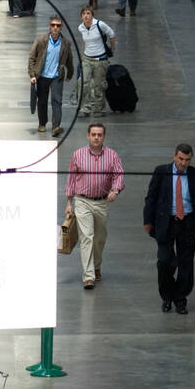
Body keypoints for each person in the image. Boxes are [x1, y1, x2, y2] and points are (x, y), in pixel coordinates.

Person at [143, 144, 195, 314]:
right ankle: (167, 296)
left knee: (186, 264)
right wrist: (147, 221)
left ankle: (180, 299)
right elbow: (151, 197)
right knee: (165, 261)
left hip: (188, 223)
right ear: (175, 156)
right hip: (167, 222)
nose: (183, 163)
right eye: (181, 159)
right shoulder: (161, 171)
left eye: (187, 160)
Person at [65, 121, 124, 287]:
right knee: (87, 238)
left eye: (100, 135)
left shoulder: (112, 155)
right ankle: (88, 276)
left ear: (104, 137)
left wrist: (115, 190)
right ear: (88, 136)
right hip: (82, 200)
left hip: (102, 202)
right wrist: (69, 202)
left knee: (99, 238)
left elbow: (119, 175)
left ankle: (97, 265)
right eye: (94, 135)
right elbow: (71, 179)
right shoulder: (78, 155)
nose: (96, 138)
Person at [28, 16, 74, 136]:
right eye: (53, 25)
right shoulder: (41, 40)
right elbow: (32, 57)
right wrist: (32, 74)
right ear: (49, 26)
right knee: (42, 101)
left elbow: (69, 60)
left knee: (57, 101)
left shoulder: (66, 43)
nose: (55, 28)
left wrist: (70, 73)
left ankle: (56, 126)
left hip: (57, 76)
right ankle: (42, 123)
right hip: (42, 76)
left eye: (58, 25)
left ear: (61, 27)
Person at [76, 5, 115, 117]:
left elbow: (111, 34)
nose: (86, 16)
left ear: (92, 15)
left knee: (99, 85)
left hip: (100, 60)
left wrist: (112, 49)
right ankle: (85, 108)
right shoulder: (81, 28)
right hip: (87, 59)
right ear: (81, 16)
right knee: (83, 82)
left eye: (88, 13)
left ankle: (100, 109)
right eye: (84, 14)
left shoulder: (99, 25)